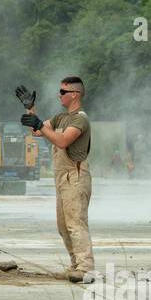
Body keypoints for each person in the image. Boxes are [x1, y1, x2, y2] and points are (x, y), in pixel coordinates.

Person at [22, 76, 94, 283]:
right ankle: (76, 265)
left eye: (63, 92)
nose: (59, 95)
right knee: (63, 226)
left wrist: (40, 125)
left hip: (75, 175)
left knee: (76, 223)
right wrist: (31, 110)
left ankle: (86, 268)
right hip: (62, 176)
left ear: (75, 94)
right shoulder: (61, 118)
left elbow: (62, 141)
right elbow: (36, 131)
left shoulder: (80, 119)